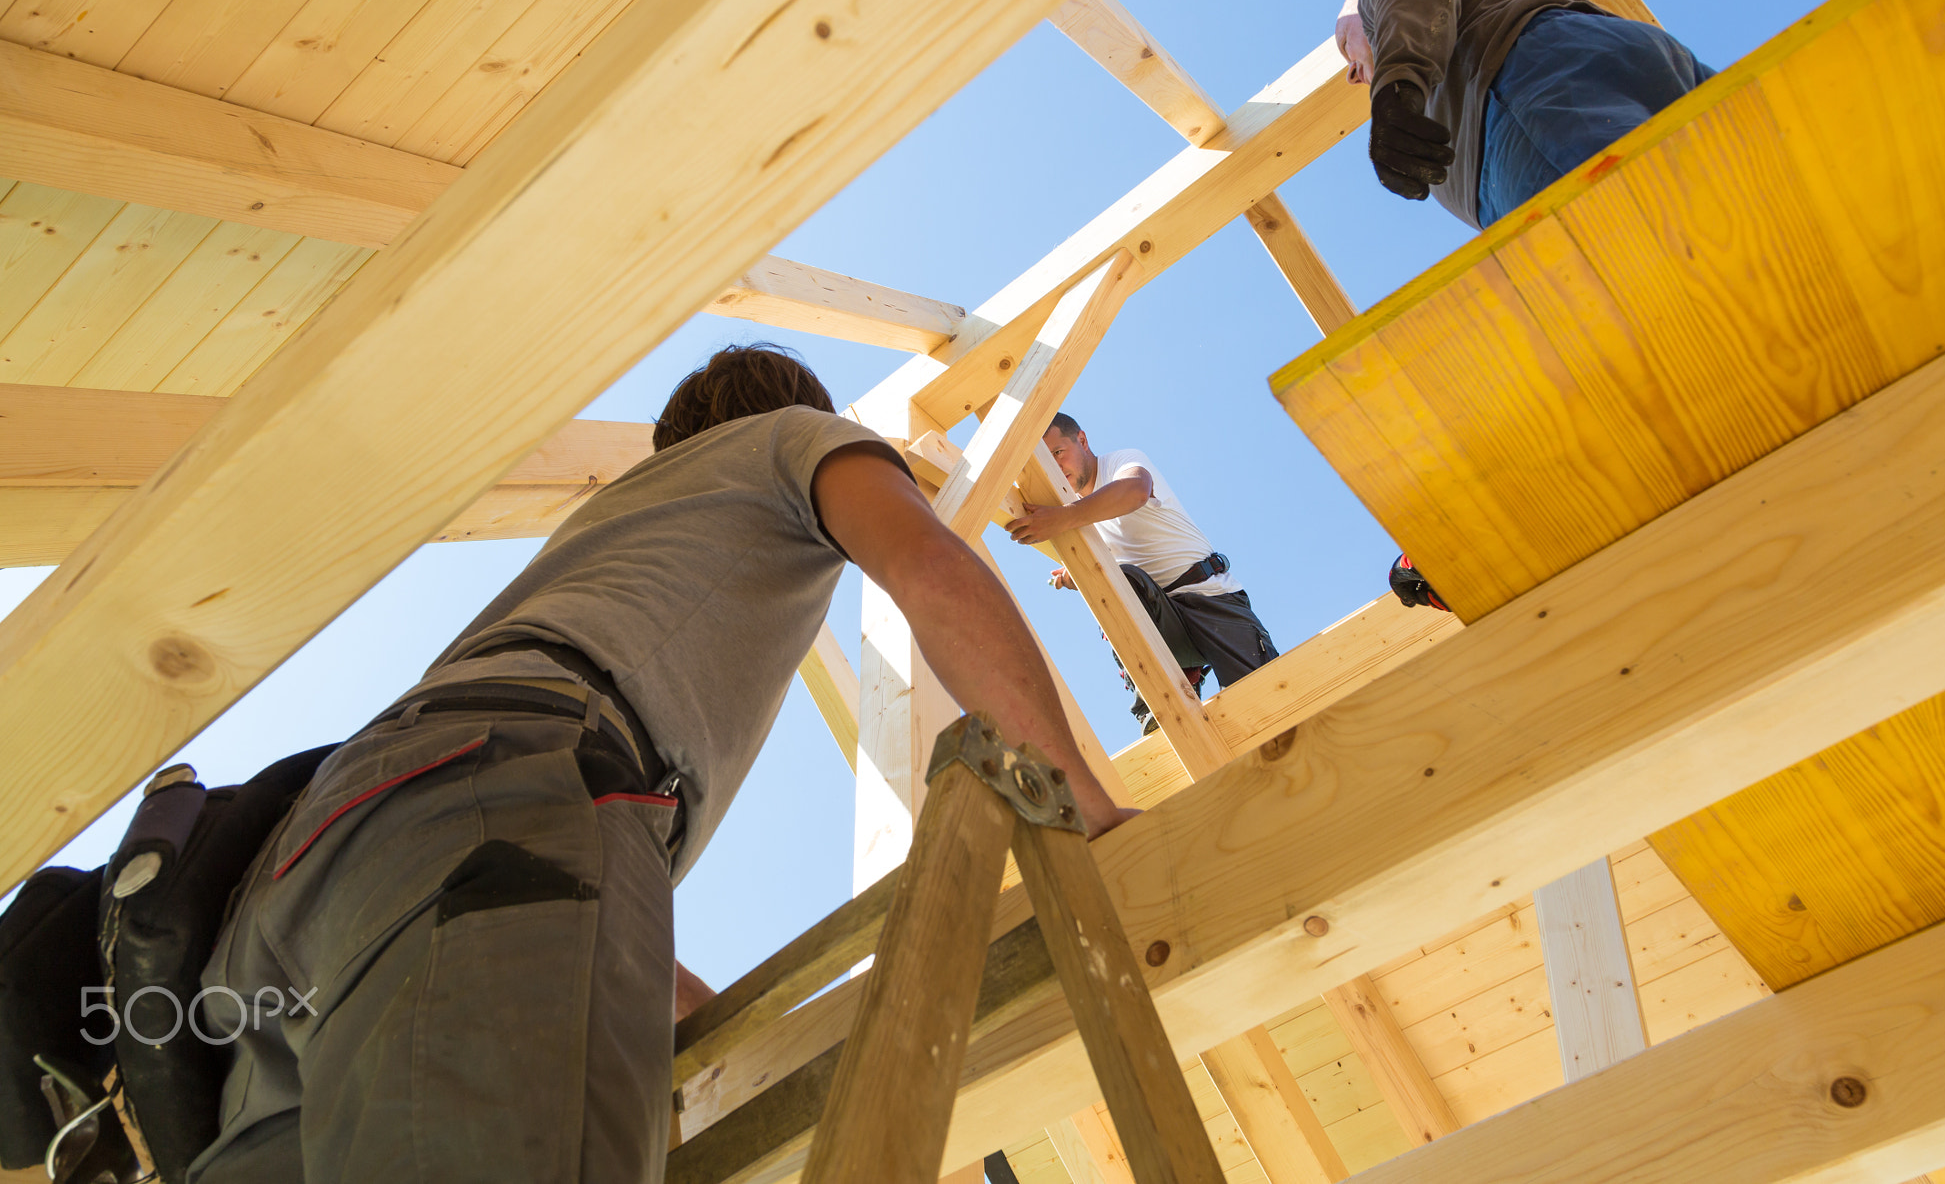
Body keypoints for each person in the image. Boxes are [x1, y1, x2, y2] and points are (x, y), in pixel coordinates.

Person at [185, 345, 1132, 1182]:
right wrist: (1089, 810)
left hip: (303, 865)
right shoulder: (795, 438)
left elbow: (494, 868)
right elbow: (929, 570)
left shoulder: (608, 533)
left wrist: (696, 1012)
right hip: (513, 791)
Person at [1334, 0, 1714, 230]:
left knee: (1634, 238)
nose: (1352, 75)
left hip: (1524, 90)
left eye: (1344, 44)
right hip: (1609, 62)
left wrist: (1396, 86)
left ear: (1367, 2)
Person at [1003, 413, 1278, 732]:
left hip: (1210, 600)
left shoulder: (1121, 464)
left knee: (1268, 701)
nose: (1057, 467)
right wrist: (1076, 574)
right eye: (1047, 463)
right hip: (1164, 622)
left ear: (1082, 440)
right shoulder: (1077, 514)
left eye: (1058, 453)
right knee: (1117, 581)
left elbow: (1135, 490)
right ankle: (1157, 703)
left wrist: (1064, 517)